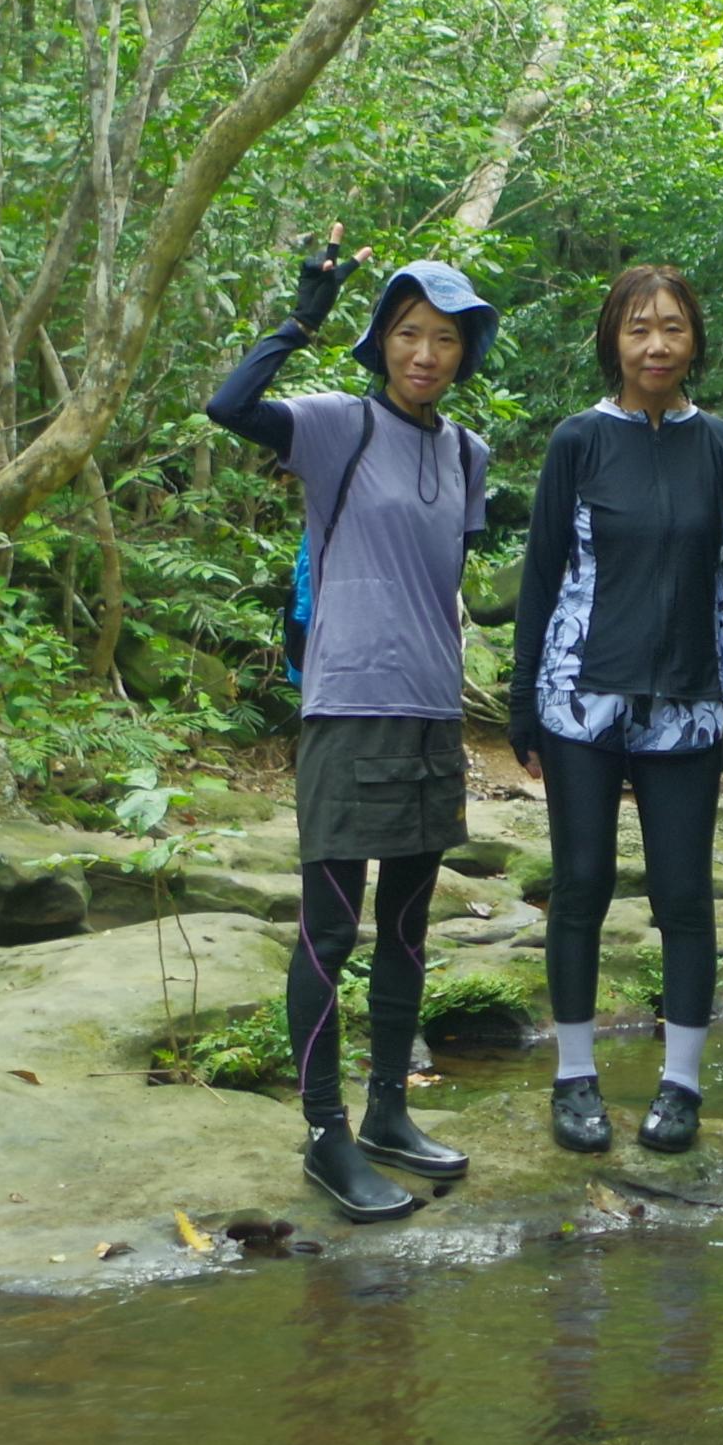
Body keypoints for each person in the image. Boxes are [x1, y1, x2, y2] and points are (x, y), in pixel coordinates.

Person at [204, 235, 499, 1224]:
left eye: (446, 339)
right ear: (382, 343)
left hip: (428, 715)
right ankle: (326, 1135)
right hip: (345, 709)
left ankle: (385, 1116)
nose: (426, 353)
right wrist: (299, 322)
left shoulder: (467, 454)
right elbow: (230, 407)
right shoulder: (339, 427)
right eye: (409, 334)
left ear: (466, 353)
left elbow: (442, 584)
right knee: (331, 932)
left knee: (410, 931)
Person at [506, 264, 723, 1158]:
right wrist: (521, 701)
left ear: (696, 340)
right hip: (581, 694)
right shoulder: (579, 440)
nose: (656, 345)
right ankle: (574, 1081)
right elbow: (542, 573)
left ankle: (680, 1087)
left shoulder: (721, 445)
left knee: (684, 897)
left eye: (673, 328)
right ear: (612, 340)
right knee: (580, 887)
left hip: (687, 703)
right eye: (638, 329)